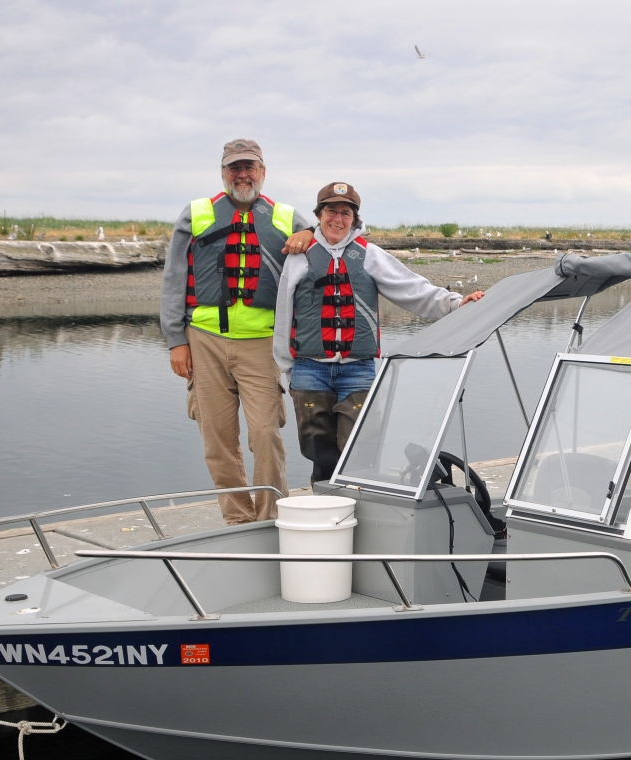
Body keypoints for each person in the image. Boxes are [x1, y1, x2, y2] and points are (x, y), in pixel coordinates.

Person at [274, 182, 484, 483]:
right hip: (309, 371)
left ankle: (361, 518)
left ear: (354, 219)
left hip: (357, 371)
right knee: (320, 456)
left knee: (359, 454)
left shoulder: (370, 255)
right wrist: (286, 369)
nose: (338, 219)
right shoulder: (299, 257)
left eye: (345, 213)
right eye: (331, 210)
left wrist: (454, 304)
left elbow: (413, 289)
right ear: (319, 215)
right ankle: (327, 518)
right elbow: (284, 315)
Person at [160, 139, 316, 524]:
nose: (242, 175)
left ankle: (269, 518)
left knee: (265, 433)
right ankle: (238, 519)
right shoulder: (195, 214)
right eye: (234, 168)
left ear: (263, 172)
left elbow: (331, 238)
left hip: (262, 346)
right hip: (205, 343)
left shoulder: (285, 216)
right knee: (217, 439)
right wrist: (176, 341)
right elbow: (174, 279)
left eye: (250, 167)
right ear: (223, 173)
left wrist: (310, 232)